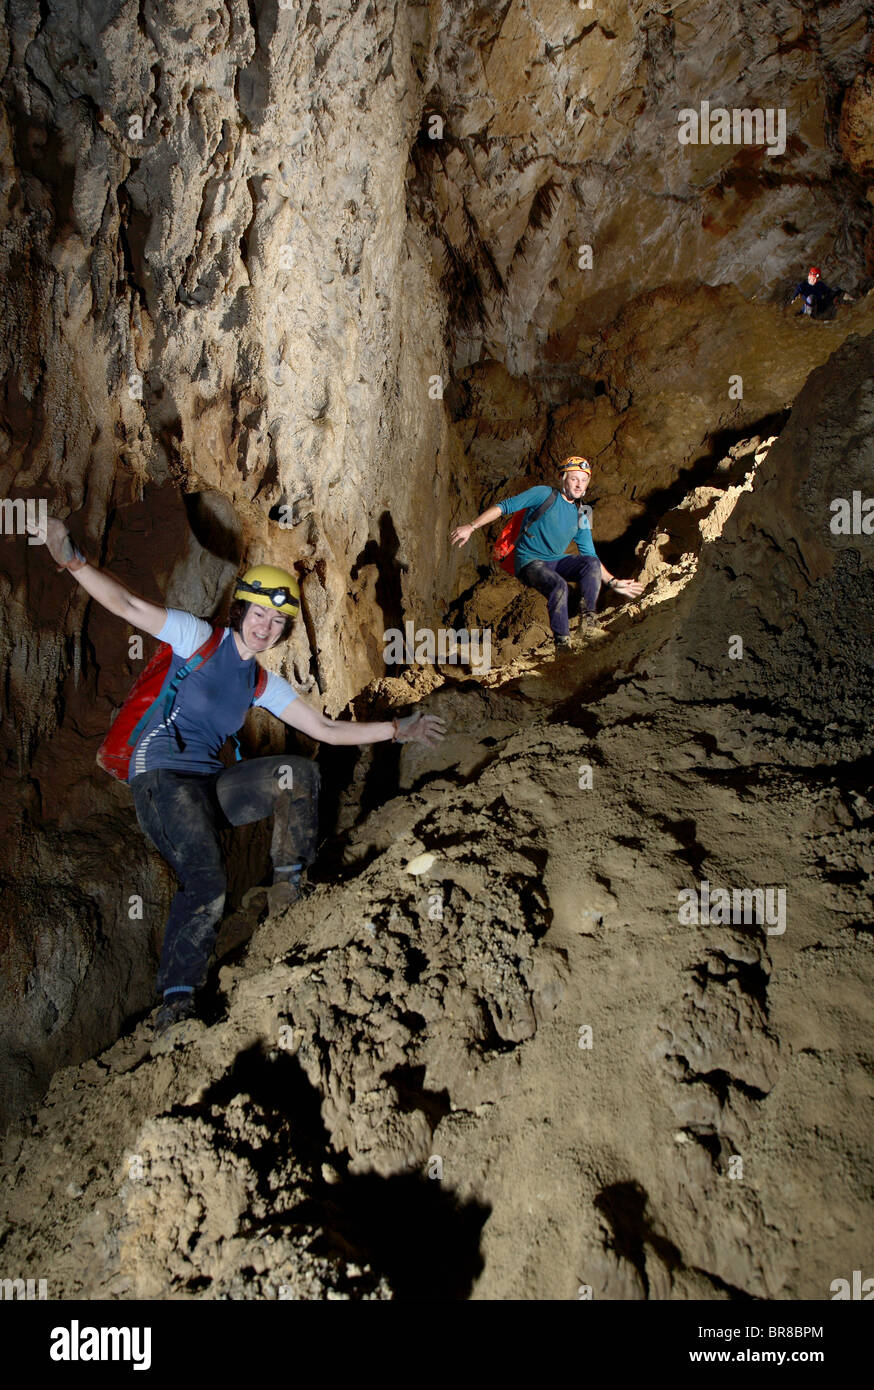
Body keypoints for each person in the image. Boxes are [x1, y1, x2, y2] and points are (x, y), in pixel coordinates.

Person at [34, 516, 446, 1035]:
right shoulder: (198, 638)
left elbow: (322, 726)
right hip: (162, 778)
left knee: (298, 774)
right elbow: (128, 606)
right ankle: (176, 1004)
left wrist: (397, 730)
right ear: (242, 609)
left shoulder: (258, 680)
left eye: (277, 622)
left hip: (209, 785)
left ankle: (288, 892)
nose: (265, 626)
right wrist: (71, 560)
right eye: (259, 613)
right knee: (206, 879)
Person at [450, 457, 644, 649]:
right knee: (559, 586)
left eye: (584, 480)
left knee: (589, 564)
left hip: (555, 561)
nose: (579, 485)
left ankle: (588, 626)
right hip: (529, 560)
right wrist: (471, 526)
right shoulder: (543, 494)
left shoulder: (583, 512)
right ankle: (562, 644)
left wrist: (612, 581)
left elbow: (589, 553)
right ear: (562, 478)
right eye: (574, 478)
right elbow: (504, 506)